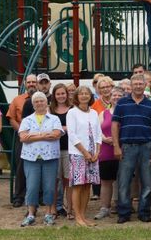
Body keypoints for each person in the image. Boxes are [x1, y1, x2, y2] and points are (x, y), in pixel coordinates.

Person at [112, 74, 151, 223]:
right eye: (136, 84)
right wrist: (116, 146)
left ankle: (144, 212)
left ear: (145, 84)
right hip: (127, 146)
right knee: (124, 181)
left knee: (147, 182)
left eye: (141, 84)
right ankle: (124, 213)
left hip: (147, 146)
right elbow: (115, 125)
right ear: (131, 85)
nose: (138, 86)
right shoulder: (122, 103)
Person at [18, 92, 64, 226]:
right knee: (32, 186)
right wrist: (44, 135)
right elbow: (22, 137)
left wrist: (32, 135)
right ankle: (31, 214)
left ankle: (49, 214)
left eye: (41, 101)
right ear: (33, 105)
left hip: (50, 157)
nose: (39, 103)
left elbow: (56, 135)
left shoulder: (54, 119)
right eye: (36, 101)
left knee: (49, 187)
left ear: (46, 103)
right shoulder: (27, 120)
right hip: (31, 158)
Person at [67, 86, 102, 227]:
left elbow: (98, 134)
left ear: (90, 96)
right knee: (78, 185)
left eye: (86, 93)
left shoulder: (94, 113)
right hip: (78, 154)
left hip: (93, 154)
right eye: (81, 94)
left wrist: (97, 152)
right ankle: (78, 217)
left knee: (87, 185)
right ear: (77, 96)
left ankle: (84, 216)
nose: (84, 96)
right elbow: (72, 135)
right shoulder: (72, 113)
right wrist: (85, 153)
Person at [7, 74, 37, 207]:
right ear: (25, 84)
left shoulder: (43, 99)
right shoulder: (17, 100)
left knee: (39, 165)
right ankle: (19, 196)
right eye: (29, 82)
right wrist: (21, 132)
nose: (31, 84)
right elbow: (11, 117)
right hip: (22, 138)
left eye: (33, 82)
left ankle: (39, 195)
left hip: (40, 138)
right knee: (20, 166)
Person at [94, 87, 124, 220]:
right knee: (106, 181)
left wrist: (118, 139)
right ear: (110, 97)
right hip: (106, 150)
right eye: (114, 95)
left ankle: (122, 205)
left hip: (122, 150)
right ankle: (104, 208)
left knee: (123, 180)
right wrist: (104, 138)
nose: (116, 97)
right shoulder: (103, 113)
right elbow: (96, 130)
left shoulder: (125, 113)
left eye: (120, 95)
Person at [49, 83, 73, 219]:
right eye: (58, 94)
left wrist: (59, 129)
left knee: (68, 180)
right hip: (53, 149)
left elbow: (74, 128)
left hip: (69, 149)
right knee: (54, 180)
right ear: (54, 95)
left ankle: (70, 209)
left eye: (63, 93)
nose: (61, 96)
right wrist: (65, 128)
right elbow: (48, 129)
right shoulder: (49, 110)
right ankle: (53, 208)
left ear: (67, 94)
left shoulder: (72, 109)